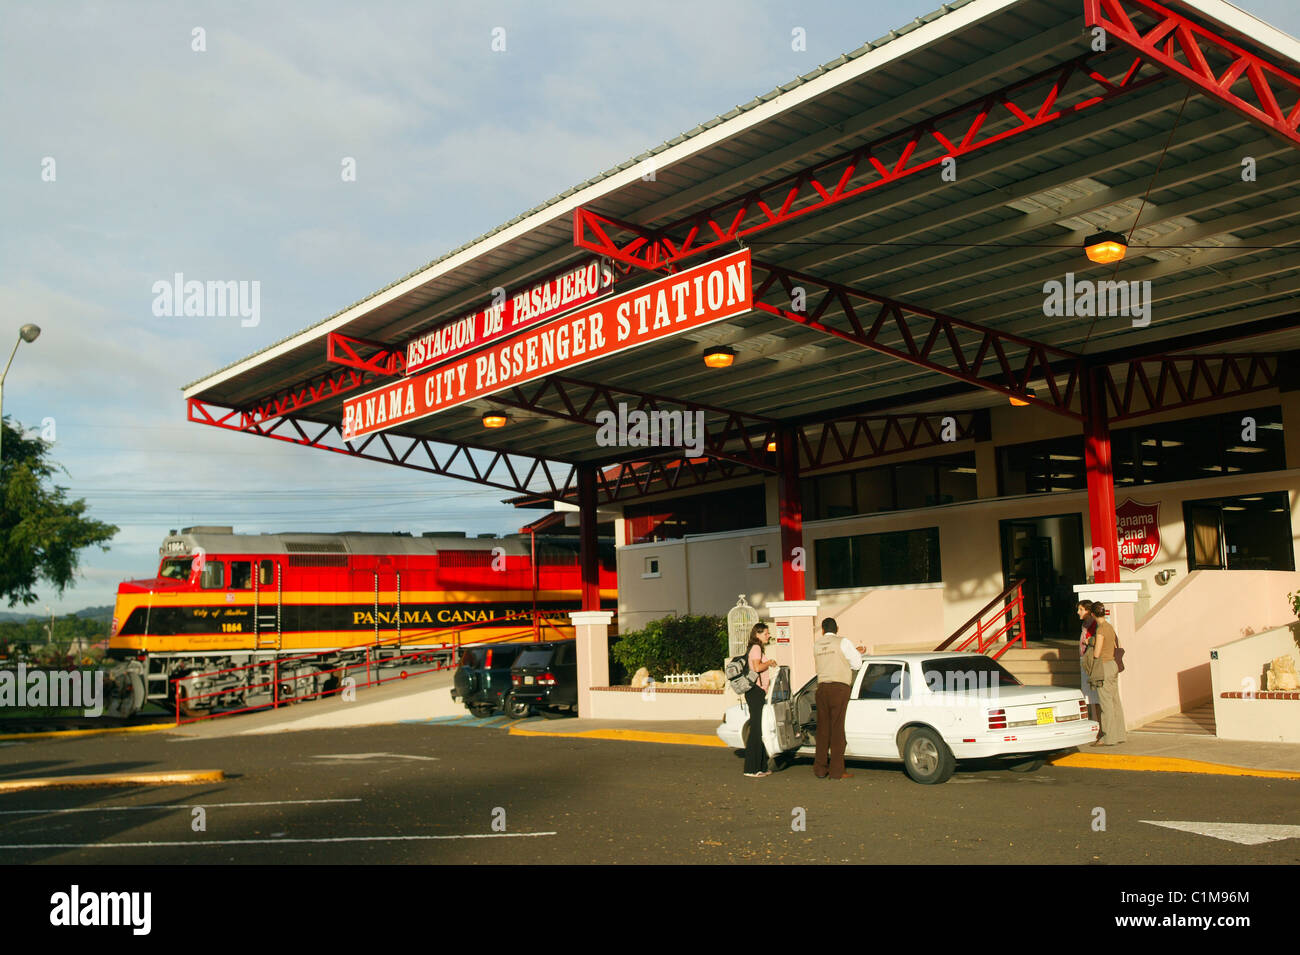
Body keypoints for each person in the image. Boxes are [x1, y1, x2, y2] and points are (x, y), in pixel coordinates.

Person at [812, 618, 865, 780]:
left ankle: (820, 769)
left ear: (822, 630)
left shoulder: (817, 645)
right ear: (837, 629)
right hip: (839, 688)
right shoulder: (843, 642)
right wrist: (856, 652)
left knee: (823, 730)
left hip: (821, 688)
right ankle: (836, 771)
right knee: (837, 730)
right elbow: (856, 664)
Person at [1079, 600, 1127, 746]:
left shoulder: (1100, 629)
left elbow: (1097, 652)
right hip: (1113, 665)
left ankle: (1108, 737)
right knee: (1114, 701)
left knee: (1106, 703)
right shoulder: (1109, 626)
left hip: (1104, 666)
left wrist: (1090, 649)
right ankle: (1119, 734)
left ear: (1093, 614)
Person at [742, 623, 779, 777]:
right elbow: (756, 668)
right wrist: (769, 662)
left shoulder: (757, 648)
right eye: (766, 633)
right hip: (755, 691)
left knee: (760, 728)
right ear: (757, 634)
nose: (768, 635)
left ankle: (761, 766)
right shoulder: (756, 648)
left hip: (757, 692)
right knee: (756, 729)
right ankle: (751, 768)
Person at [1076, 602, 1100, 722]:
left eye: (1081, 609)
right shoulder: (1085, 625)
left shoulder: (1094, 625)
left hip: (1090, 660)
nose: (1078, 612)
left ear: (1088, 611)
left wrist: (1088, 641)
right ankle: (1093, 718)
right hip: (1084, 659)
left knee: (1093, 693)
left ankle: (1097, 721)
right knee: (1087, 692)